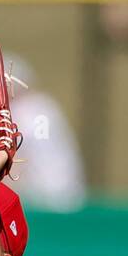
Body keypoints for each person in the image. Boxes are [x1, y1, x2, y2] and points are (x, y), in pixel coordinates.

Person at [6, 56, 86, 211]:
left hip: (42, 200)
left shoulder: (25, 111)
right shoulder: (45, 106)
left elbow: (15, 162)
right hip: (71, 194)